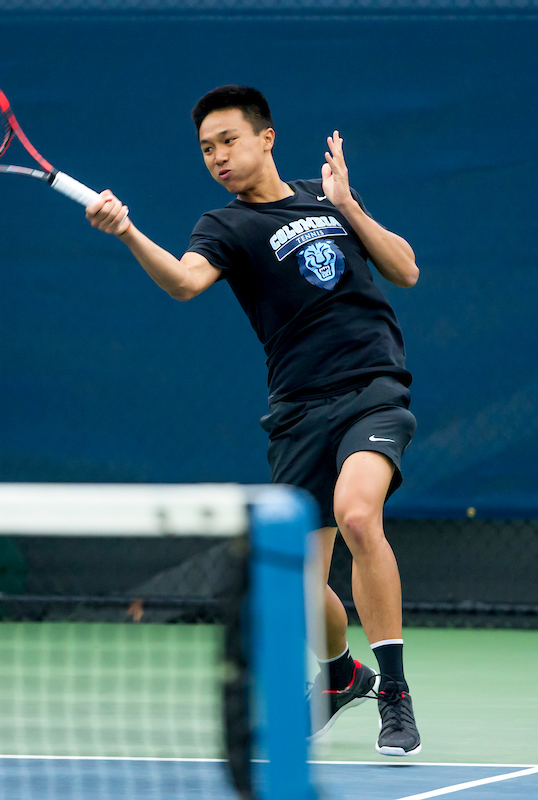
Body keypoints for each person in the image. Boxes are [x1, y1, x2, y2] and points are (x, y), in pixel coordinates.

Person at [85, 85, 421, 756]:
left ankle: (394, 691)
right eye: (207, 149)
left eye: (228, 141)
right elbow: (183, 282)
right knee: (297, 583)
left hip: (371, 389)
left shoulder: (325, 197)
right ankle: (339, 675)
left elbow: (406, 270)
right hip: (298, 411)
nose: (218, 157)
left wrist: (349, 205)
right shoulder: (223, 228)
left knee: (359, 516)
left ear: (265, 137)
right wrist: (125, 231)